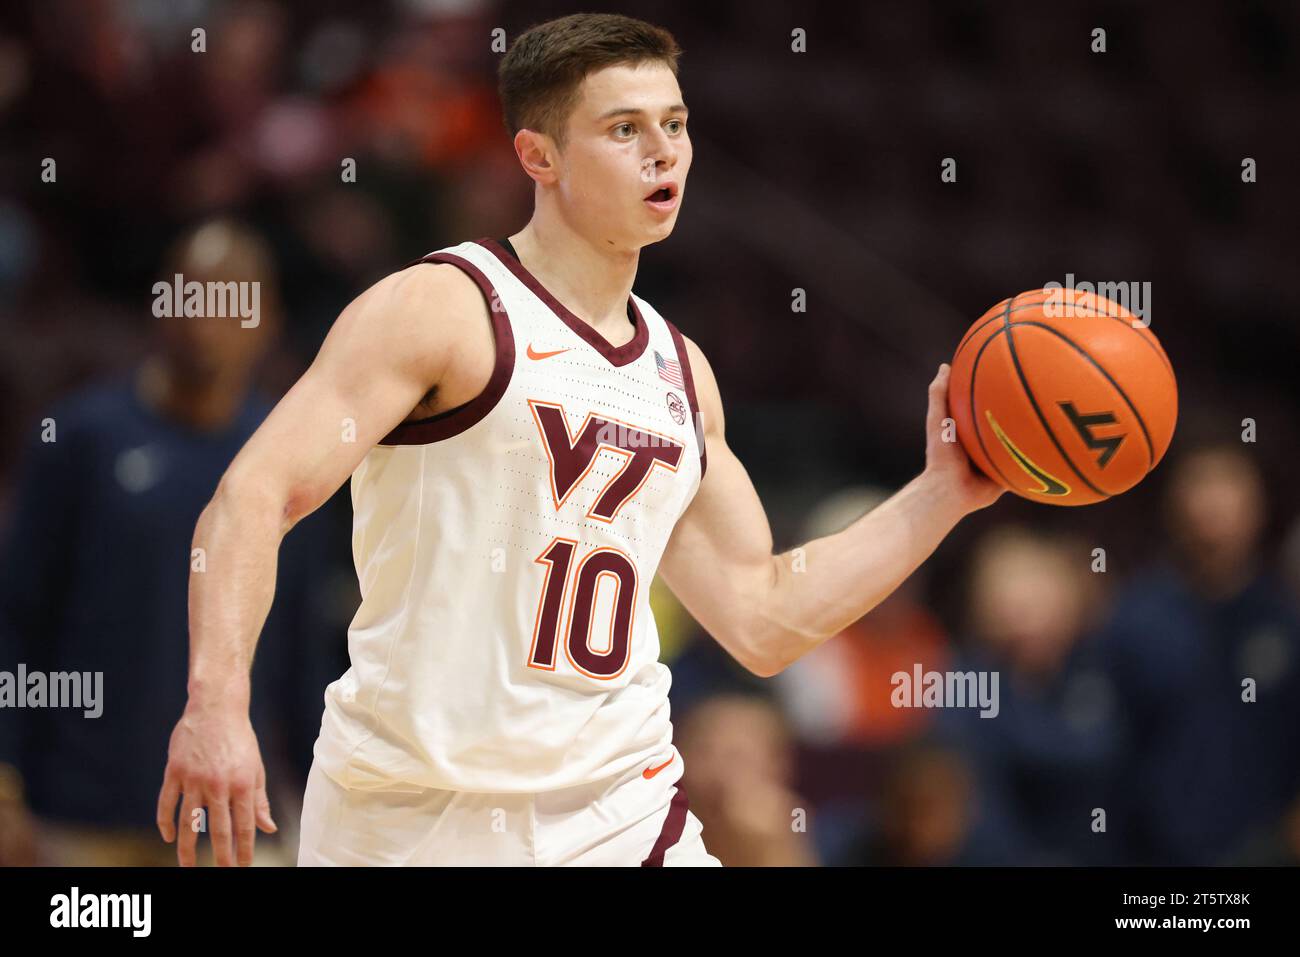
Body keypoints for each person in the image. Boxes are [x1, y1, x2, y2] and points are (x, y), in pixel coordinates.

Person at [157, 13, 1003, 868]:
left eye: (673, 124)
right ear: (539, 156)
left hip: (616, 813)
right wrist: (217, 705)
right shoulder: (441, 309)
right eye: (624, 129)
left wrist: (943, 494)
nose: (663, 151)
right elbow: (253, 497)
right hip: (411, 814)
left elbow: (763, 616)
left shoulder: (681, 371)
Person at [0, 219, 337, 865]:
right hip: (80, 811)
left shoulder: (293, 455)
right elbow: (15, 615)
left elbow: (300, 647)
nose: (207, 317)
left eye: (230, 297)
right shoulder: (82, 438)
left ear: (268, 319)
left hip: (232, 817)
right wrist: (6, 775)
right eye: (191, 293)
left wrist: (320, 798)